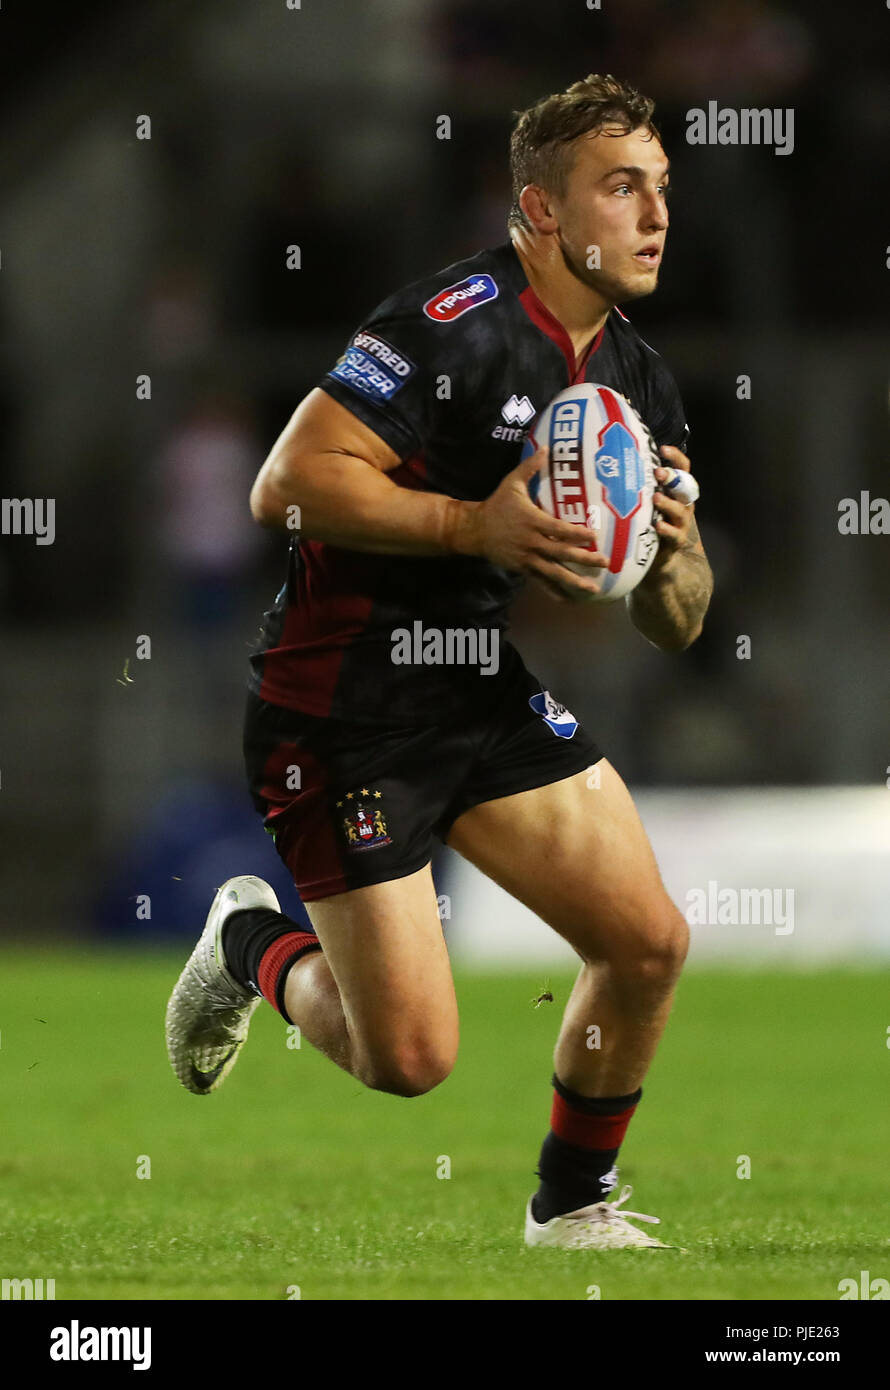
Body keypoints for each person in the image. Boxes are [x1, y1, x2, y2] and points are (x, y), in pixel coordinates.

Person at [166, 73, 713, 1250]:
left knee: (646, 941)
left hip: (472, 681)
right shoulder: (449, 320)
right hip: (340, 703)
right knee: (405, 1059)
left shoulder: (637, 378)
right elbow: (288, 484)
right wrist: (472, 525)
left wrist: (668, 557)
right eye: (621, 189)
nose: (656, 215)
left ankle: (569, 1207)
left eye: (661, 188)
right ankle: (246, 944)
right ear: (544, 210)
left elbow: (677, 621)